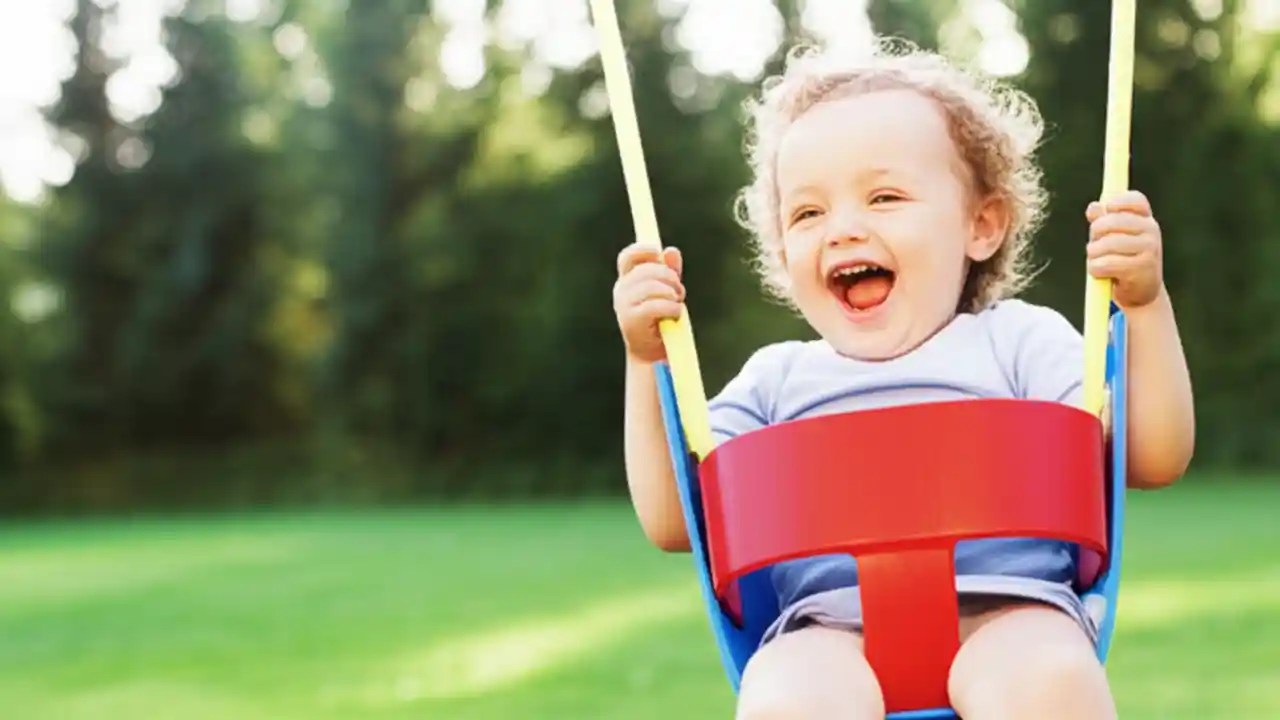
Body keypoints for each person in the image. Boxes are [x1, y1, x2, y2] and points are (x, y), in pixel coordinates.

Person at [612, 38, 1195, 720]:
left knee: (1050, 681)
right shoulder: (776, 381)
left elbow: (1153, 455)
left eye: (883, 196)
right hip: (828, 635)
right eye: (807, 213)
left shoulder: (1020, 342)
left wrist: (1144, 306)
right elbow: (675, 519)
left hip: (1011, 615)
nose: (843, 230)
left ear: (982, 225)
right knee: (782, 699)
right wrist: (645, 358)